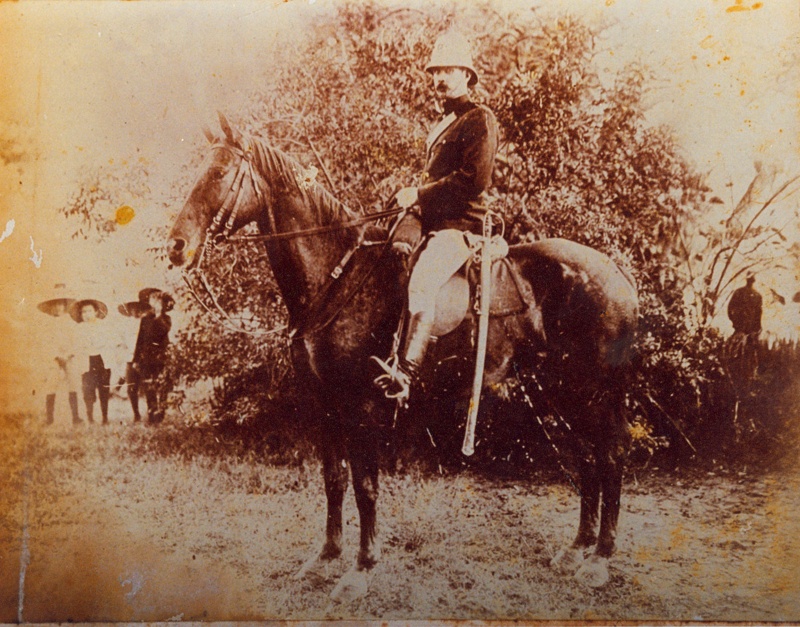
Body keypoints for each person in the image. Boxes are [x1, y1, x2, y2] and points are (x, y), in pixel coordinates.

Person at [372, 30, 499, 403]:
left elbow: (474, 179)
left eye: (448, 70)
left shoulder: (480, 119)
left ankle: (405, 374)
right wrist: (407, 201)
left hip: (461, 225)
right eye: (435, 71)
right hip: (430, 221)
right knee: (383, 254)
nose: (439, 78)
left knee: (423, 281)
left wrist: (421, 194)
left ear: (467, 75)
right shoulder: (441, 124)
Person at [37, 285, 82, 426]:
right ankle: (49, 418)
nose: (57, 307)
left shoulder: (71, 323)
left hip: (69, 356)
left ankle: (76, 417)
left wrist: (68, 355)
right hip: (55, 358)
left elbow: (75, 341)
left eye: (60, 304)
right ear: (51, 307)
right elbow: (47, 342)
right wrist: (57, 356)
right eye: (54, 304)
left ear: (65, 305)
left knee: (73, 384)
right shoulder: (47, 324)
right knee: (51, 384)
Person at [128, 289, 173, 424]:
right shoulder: (145, 319)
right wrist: (136, 360)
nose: (153, 305)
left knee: (162, 386)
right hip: (147, 359)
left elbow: (164, 330)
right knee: (149, 387)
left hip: (162, 358)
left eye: (156, 301)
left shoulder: (165, 319)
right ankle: (152, 414)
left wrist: (158, 315)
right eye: (151, 302)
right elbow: (140, 341)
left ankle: (161, 412)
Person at [70, 298, 113, 425]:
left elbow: (109, 342)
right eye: (84, 312)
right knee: (88, 390)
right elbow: (77, 346)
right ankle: (90, 417)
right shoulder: (79, 329)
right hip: (87, 361)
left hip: (102, 360)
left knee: (103, 390)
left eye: (89, 311)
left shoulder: (103, 326)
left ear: (95, 312)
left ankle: (105, 418)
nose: (87, 314)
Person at [727, 272, 763, 336]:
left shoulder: (757, 295)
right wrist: (735, 321)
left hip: (750, 329)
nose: (750, 281)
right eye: (750, 279)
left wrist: (757, 327)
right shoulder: (739, 292)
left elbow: (759, 313)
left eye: (751, 280)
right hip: (740, 327)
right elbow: (730, 308)